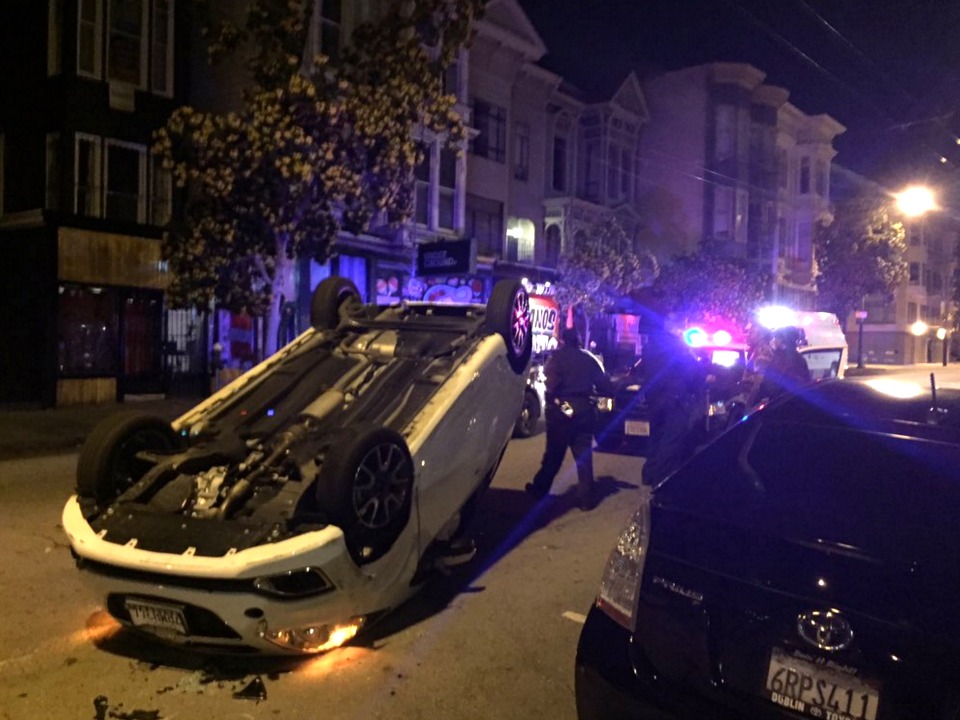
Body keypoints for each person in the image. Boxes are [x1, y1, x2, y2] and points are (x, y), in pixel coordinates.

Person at [526, 327, 617, 511]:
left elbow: (551, 386)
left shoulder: (557, 359)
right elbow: (605, 386)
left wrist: (560, 404)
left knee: (553, 455)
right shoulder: (589, 359)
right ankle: (586, 498)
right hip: (584, 411)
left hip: (562, 411)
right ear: (579, 340)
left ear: (564, 341)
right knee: (583, 456)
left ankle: (540, 489)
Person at [640, 317, 714, 486]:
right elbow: (693, 372)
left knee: (655, 437)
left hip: (654, 399)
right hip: (675, 400)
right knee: (671, 441)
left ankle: (649, 474)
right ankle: (661, 481)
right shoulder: (679, 347)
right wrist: (705, 377)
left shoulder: (651, 346)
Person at [757, 326, 811, 401]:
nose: (774, 340)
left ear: (781, 340)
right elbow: (807, 382)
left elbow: (771, 384)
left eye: (776, 337)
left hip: (780, 402)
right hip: (794, 401)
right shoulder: (799, 358)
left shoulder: (781, 358)